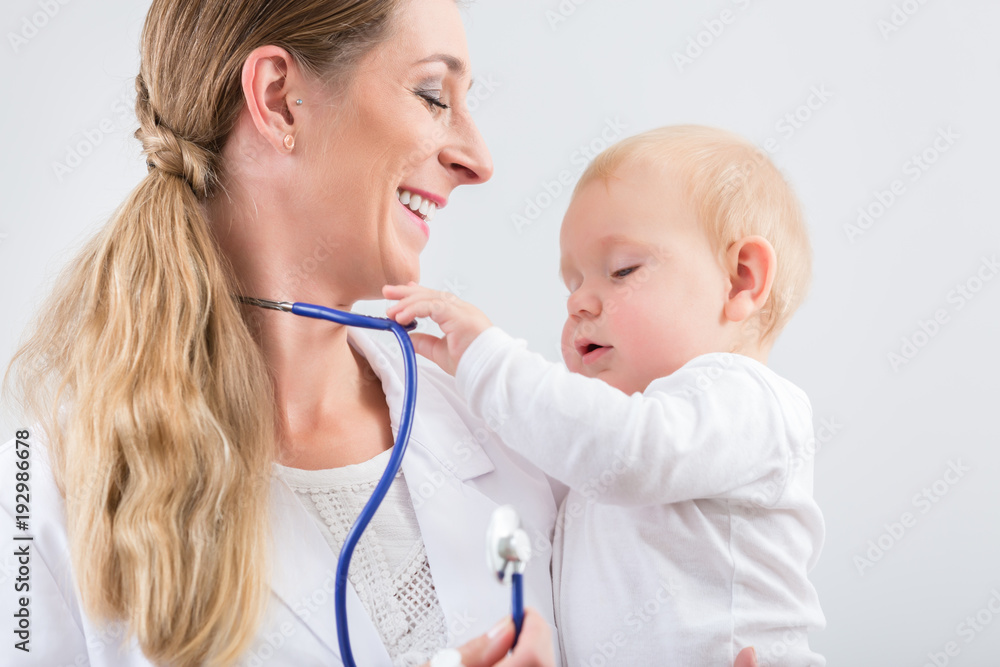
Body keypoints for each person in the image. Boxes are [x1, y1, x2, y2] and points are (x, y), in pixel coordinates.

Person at [0, 0, 762, 662]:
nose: (479, 160)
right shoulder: (35, 491)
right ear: (280, 99)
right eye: (433, 95)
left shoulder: (518, 436)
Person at [383, 125, 827, 665]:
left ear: (740, 279)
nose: (579, 304)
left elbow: (624, 449)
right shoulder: (606, 442)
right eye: (573, 284)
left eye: (621, 271)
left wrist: (487, 360)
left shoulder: (751, 401)